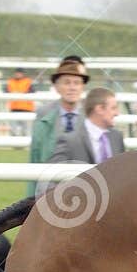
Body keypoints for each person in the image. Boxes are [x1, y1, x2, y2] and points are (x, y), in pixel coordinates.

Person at [27, 57, 89, 195]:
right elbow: (35, 156)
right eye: (67, 83)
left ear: (82, 87)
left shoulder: (92, 115)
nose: (72, 87)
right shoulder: (43, 114)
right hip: (50, 189)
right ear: (56, 87)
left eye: (77, 83)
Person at [50, 88, 124, 165]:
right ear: (99, 109)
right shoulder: (69, 141)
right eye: (113, 108)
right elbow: (53, 172)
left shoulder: (117, 137)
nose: (117, 113)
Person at [5, 68, 35, 133]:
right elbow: (6, 91)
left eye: (19, 73)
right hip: (14, 108)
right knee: (13, 129)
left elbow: (32, 91)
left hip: (26, 108)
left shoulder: (28, 81)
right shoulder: (11, 82)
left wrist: (22, 93)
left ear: (23, 74)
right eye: (16, 73)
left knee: (26, 130)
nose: (18, 74)